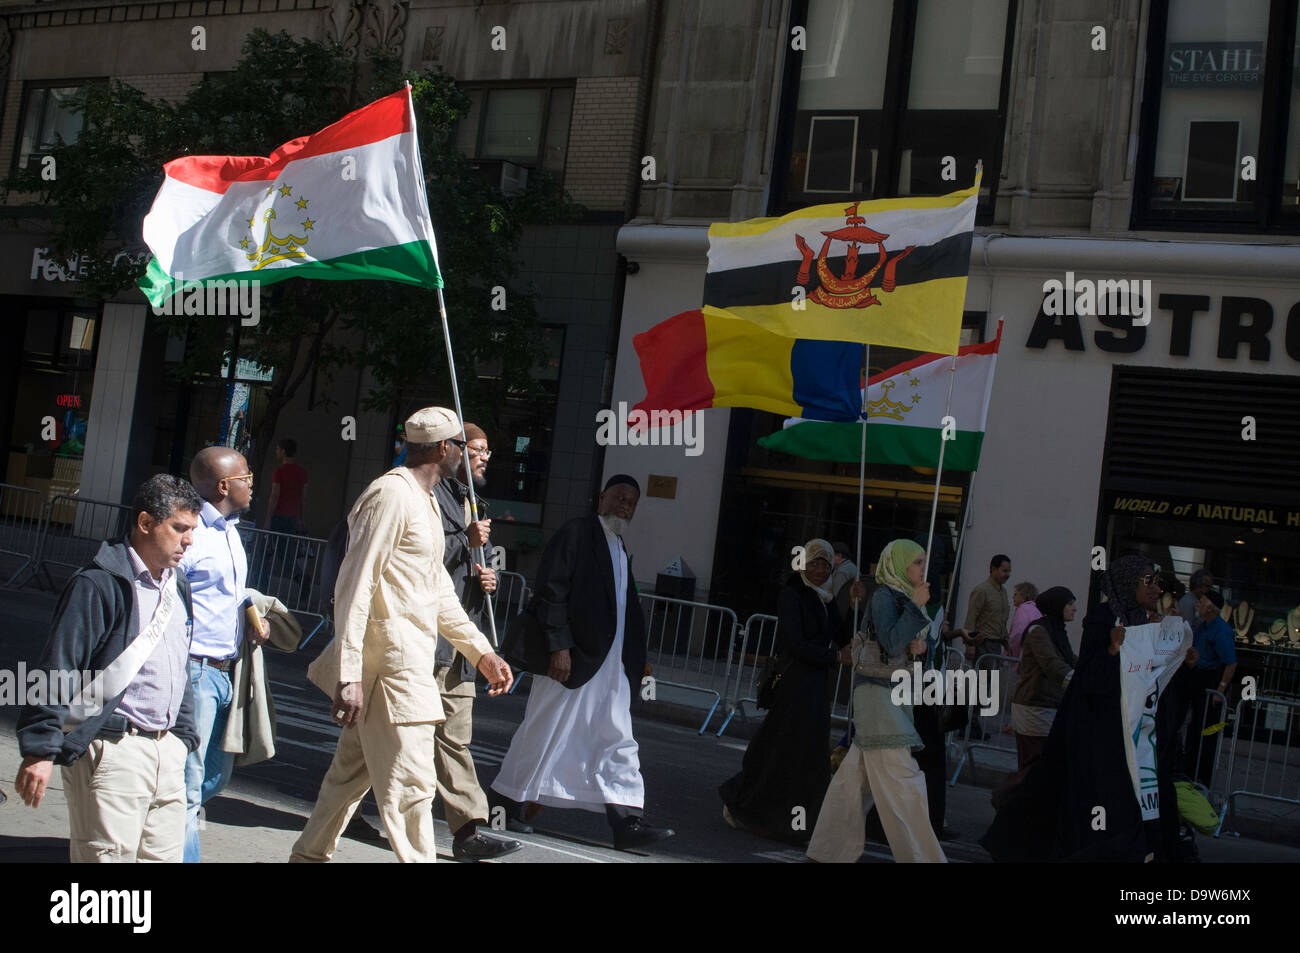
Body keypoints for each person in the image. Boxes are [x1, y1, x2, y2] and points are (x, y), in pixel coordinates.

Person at [291, 407, 513, 863]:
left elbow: (437, 593)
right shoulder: (390, 495)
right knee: (412, 786)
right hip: (392, 671)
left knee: (346, 780)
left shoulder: (427, 500)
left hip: (402, 666)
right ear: (441, 449)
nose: (465, 453)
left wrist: (482, 652)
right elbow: (354, 586)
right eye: (459, 444)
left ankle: (307, 857)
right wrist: (348, 674)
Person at [15, 475, 203, 862]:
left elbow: (178, 667)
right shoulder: (99, 583)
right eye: (180, 528)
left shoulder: (176, 584)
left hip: (166, 752)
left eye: (192, 530)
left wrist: (182, 740)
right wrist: (40, 750)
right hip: (114, 750)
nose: (189, 541)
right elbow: (59, 667)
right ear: (146, 523)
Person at [492, 474, 674, 851]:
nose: (624, 505)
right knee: (542, 732)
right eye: (619, 497)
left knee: (618, 739)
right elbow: (551, 590)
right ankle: (503, 803)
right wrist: (559, 646)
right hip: (572, 660)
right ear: (601, 497)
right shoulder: (577, 533)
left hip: (610, 669)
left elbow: (624, 613)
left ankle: (627, 822)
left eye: (631, 502)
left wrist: (636, 665)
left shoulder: (620, 548)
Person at [981, 555, 1199, 862]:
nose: (1154, 588)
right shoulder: (1103, 619)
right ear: (1127, 582)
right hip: (1098, 735)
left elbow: (1151, 681)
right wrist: (1113, 650)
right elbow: (1091, 678)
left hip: (1131, 738)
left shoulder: (1145, 621)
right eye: (1147, 581)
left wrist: (1182, 664)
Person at [806, 539, 947, 863]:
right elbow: (890, 642)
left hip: (890, 698)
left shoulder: (907, 598)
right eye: (916, 562)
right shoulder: (886, 596)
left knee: (852, 783)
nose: (922, 568)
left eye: (924, 562)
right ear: (898, 564)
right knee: (903, 783)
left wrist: (922, 647)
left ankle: (827, 851)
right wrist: (915, 608)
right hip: (880, 698)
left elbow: (915, 648)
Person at [718, 539, 863, 844]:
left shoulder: (824, 597)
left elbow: (840, 634)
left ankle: (798, 822)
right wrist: (833, 657)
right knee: (780, 753)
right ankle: (749, 807)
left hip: (816, 688)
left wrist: (850, 603)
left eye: (825, 564)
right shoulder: (792, 593)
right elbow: (794, 642)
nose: (820, 570)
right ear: (803, 564)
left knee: (807, 757)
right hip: (795, 685)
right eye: (814, 563)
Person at [429, 422, 521, 861]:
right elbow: (420, 557)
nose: (485, 457)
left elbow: (471, 566)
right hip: (428, 640)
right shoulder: (430, 494)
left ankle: (469, 832)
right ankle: (336, 815)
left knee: (453, 738)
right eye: (477, 450)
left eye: (489, 451)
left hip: (463, 642)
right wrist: (462, 542)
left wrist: (487, 578)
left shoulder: (474, 502)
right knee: (377, 744)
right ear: (453, 450)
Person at [181, 446, 270, 863]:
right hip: (195, 670)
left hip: (226, 670)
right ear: (223, 486)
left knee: (215, 775)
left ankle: (152, 831)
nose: (252, 484)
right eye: (246, 477)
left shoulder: (230, 530)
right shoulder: (191, 532)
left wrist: (250, 614)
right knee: (188, 782)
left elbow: (229, 592)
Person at [1010, 587, 1076, 771]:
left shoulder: (1057, 631)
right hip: (1034, 706)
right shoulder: (1038, 630)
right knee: (1033, 767)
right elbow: (1051, 663)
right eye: (1070, 604)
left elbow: (1071, 659)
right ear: (1057, 606)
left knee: (1044, 767)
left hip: (1050, 706)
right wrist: (1079, 681)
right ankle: (1010, 799)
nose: (1074, 608)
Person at [1183, 589, 1236, 786]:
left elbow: (1231, 663)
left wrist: (1220, 690)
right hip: (1195, 677)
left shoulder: (1221, 631)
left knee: (1206, 732)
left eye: (1202, 601)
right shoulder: (1202, 627)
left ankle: (1202, 779)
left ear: (1211, 607)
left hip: (1210, 682)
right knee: (1194, 728)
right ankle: (1188, 772)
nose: (1198, 605)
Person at [963, 554, 1012, 660]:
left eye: (1009, 571)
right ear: (994, 569)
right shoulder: (982, 590)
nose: (1008, 574)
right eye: (1005, 571)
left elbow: (1001, 620)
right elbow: (971, 618)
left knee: (993, 676)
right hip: (983, 645)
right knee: (984, 677)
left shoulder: (1003, 592)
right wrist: (970, 645)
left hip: (997, 645)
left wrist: (1007, 642)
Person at [267, 437, 309, 535]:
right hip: (294, 517)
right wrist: (301, 519)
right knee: (289, 547)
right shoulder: (302, 472)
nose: (276, 451)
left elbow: (274, 495)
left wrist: (268, 518)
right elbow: (304, 498)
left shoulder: (279, 471)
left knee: (275, 546)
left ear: (283, 451)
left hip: (279, 515)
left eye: (278, 449)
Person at [1006, 581, 1041, 661]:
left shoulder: (1023, 609)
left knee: (987, 672)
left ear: (1023, 595)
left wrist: (1011, 652)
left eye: (1015, 594)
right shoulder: (1035, 609)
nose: (1012, 597)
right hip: (1033, 656)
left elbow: (1018, 634)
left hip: (1021, 658)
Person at [829, 541, 860, 620]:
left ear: (839, 556)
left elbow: (836, 596)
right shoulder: (850, 566)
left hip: (844, 612)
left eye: (830, 555)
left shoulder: (842, 571)